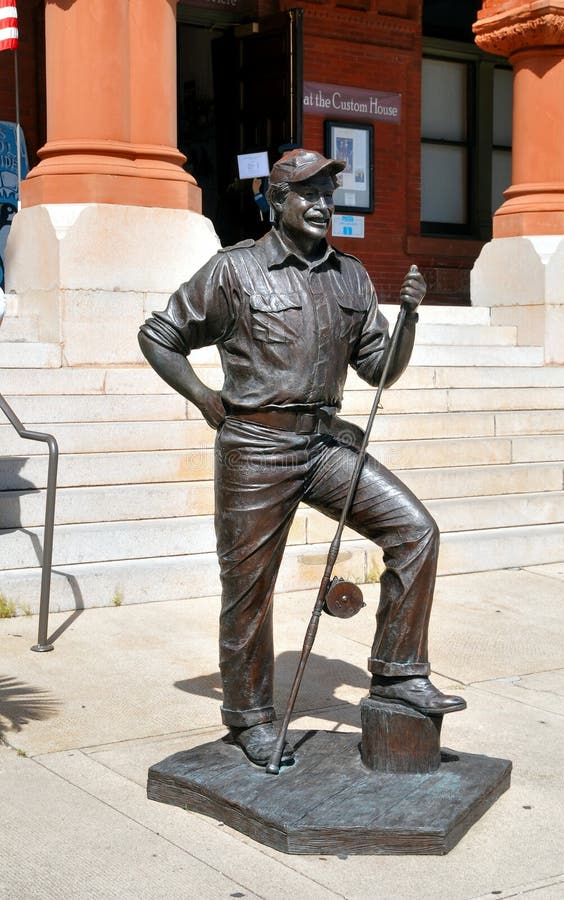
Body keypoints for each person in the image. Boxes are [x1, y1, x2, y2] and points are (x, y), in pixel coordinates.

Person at [138, 149, 465, 767]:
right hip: (256, 449)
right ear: (276, 202)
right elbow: (159, 336)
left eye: (328, 195)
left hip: (323, 444)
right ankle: (250, 717)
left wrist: (411, 318)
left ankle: (398, 672)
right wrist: (208, 399)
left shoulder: (351, 275)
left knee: (416, 531)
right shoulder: (236, 271)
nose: (321, 205)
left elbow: (380, 371)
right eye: (306, 194)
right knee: (249, 589)